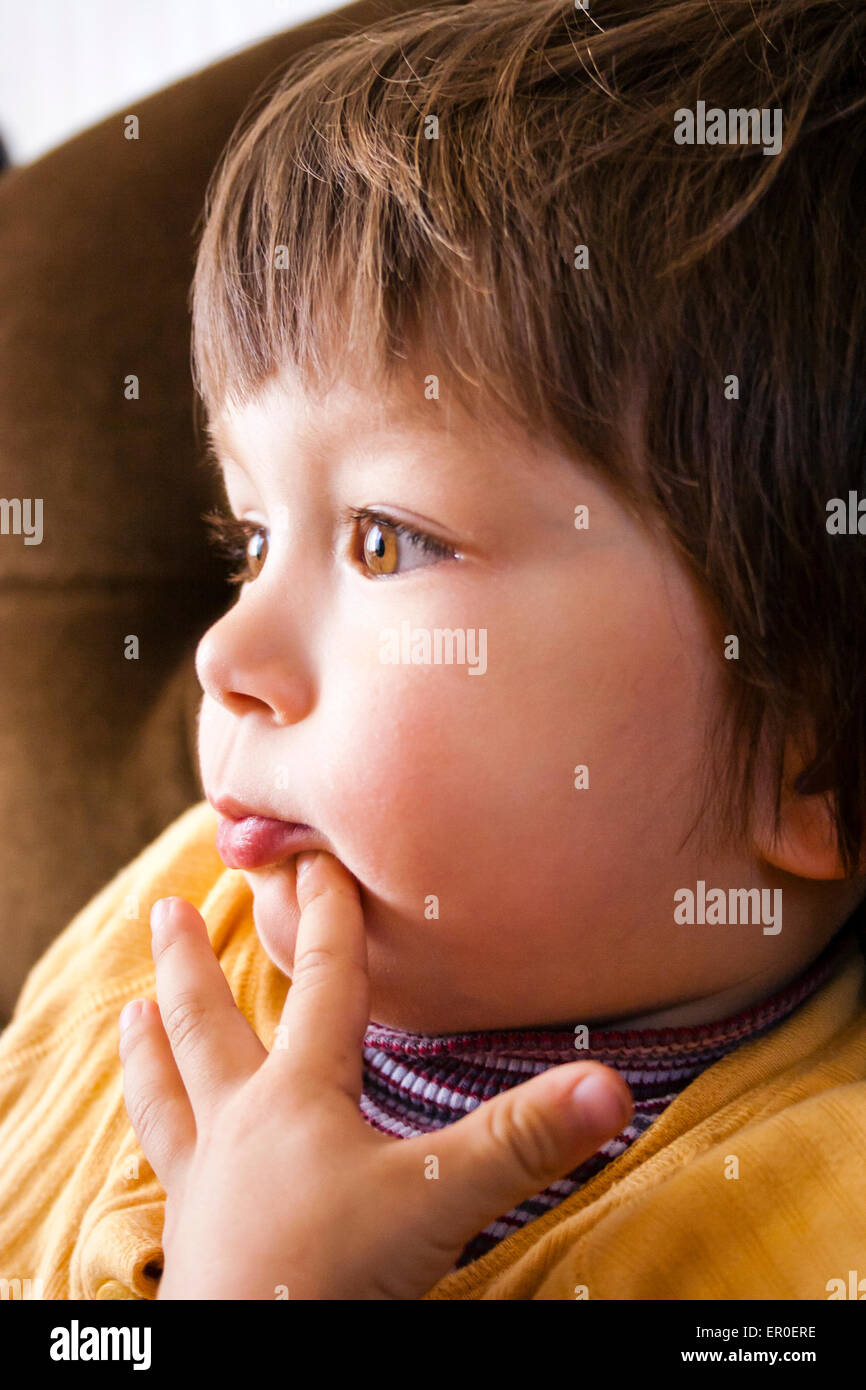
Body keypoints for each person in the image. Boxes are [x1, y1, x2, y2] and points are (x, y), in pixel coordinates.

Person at [1, 0, 865, 1300]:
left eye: (387, 543)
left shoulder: (808, 1233)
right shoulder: (177, 910)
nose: (227, 652)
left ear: (809, 755)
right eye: (247, 539)